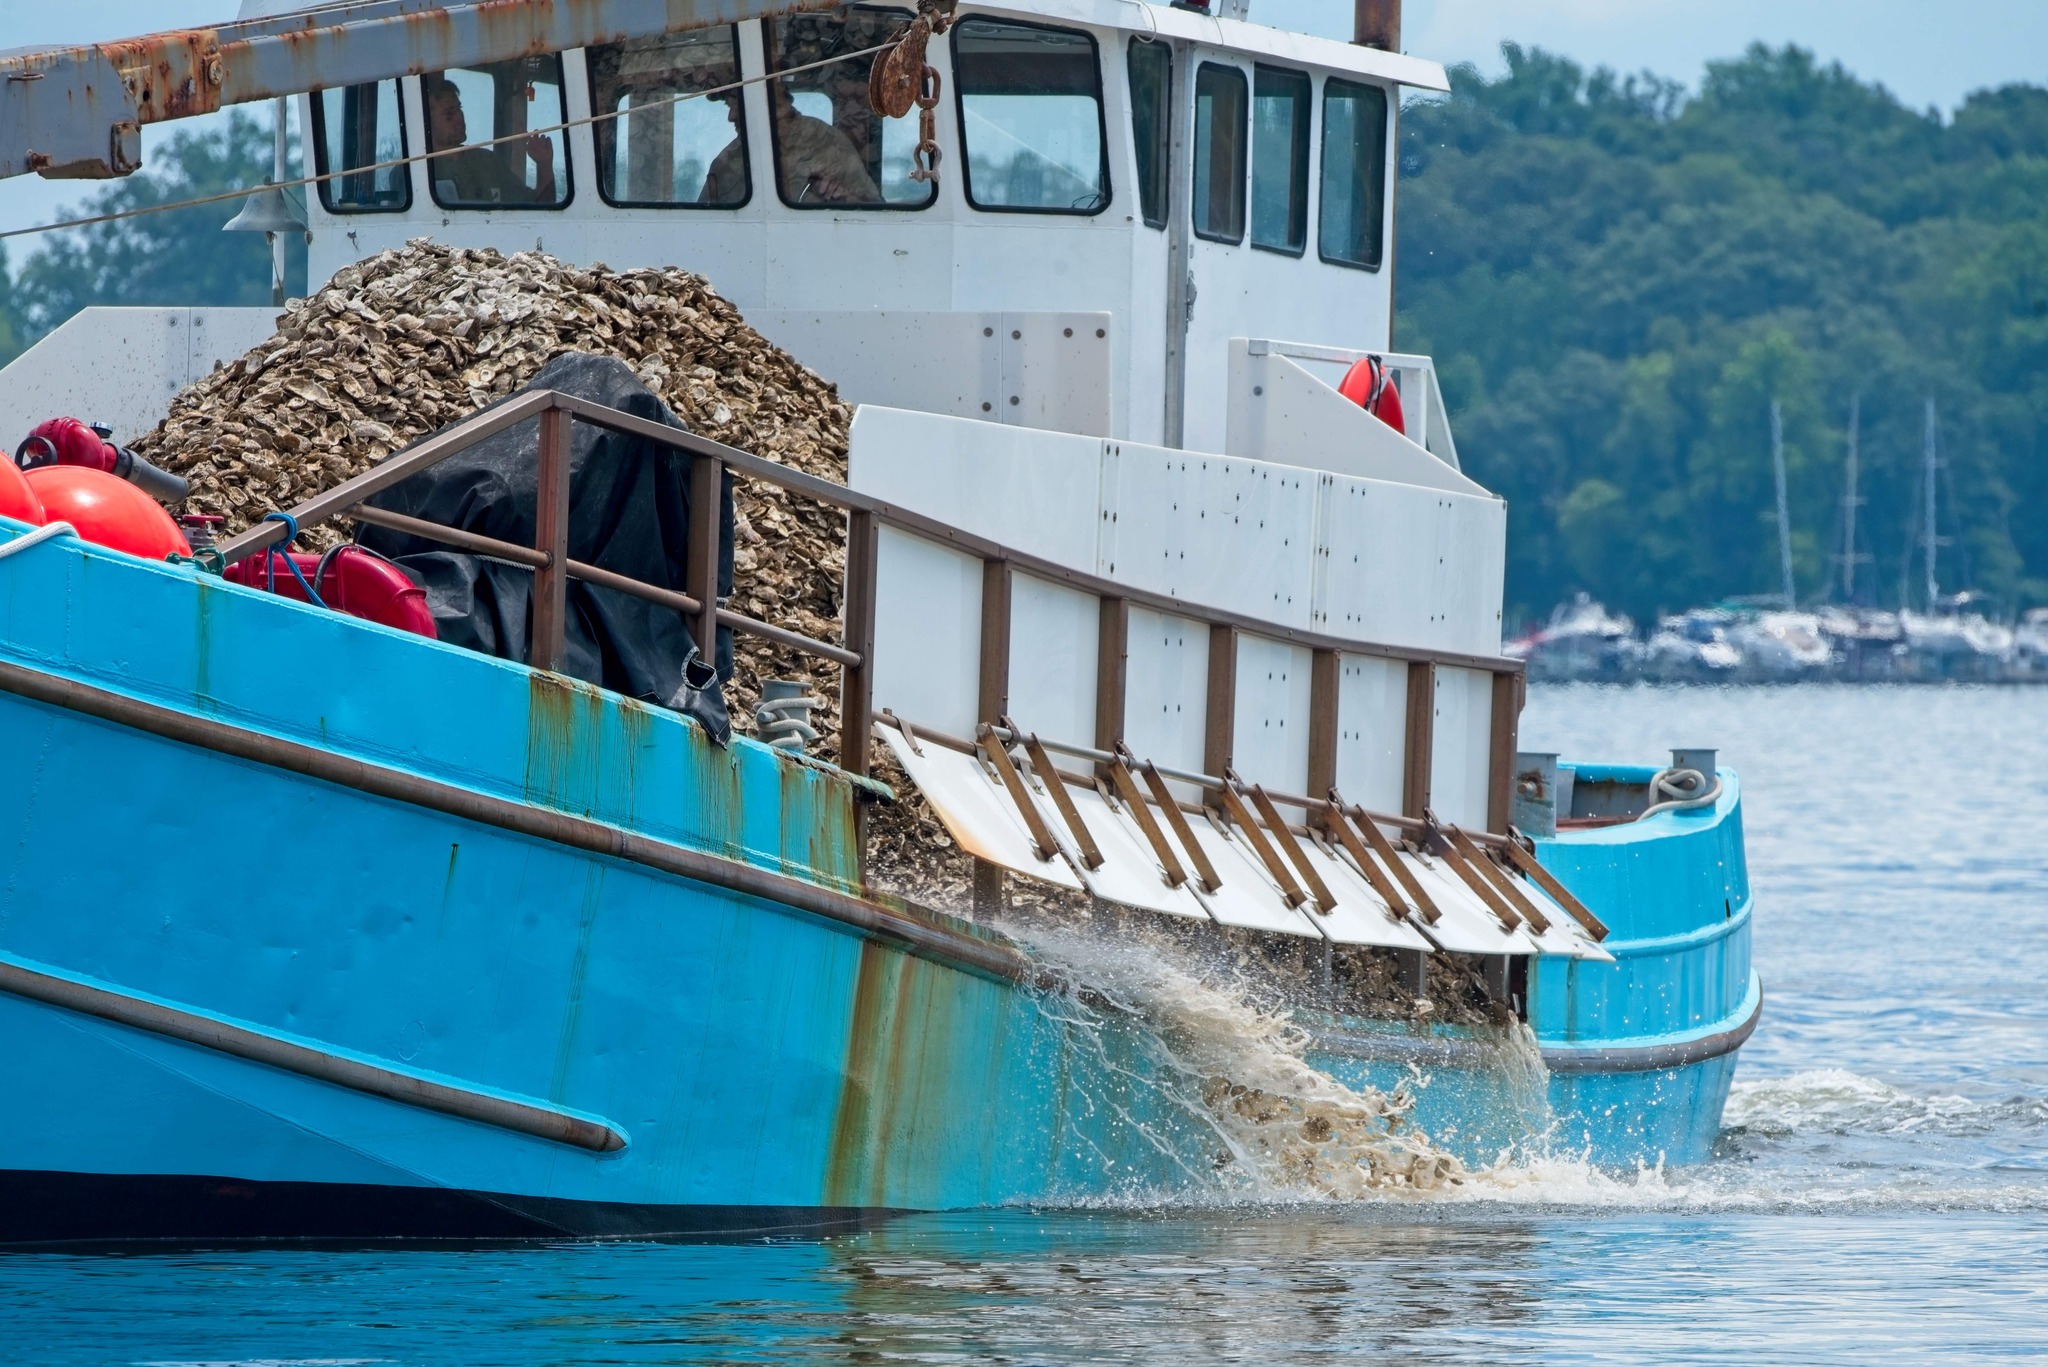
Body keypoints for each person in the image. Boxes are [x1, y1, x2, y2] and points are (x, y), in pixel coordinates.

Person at [699, 82, 881, 206]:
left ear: (776, 106)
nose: (731, 117)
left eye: (738, 105)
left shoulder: (823, 140)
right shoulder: (730, 158)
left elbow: (874, 212)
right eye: (729, 106)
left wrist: (845, 200)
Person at [424, 73, 557, 206]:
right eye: (449, 113)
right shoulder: (420, 170)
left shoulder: (488, 162)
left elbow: (539, 207)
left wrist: (544, 164)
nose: (460, 117)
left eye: (460, 108)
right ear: (426, 122)